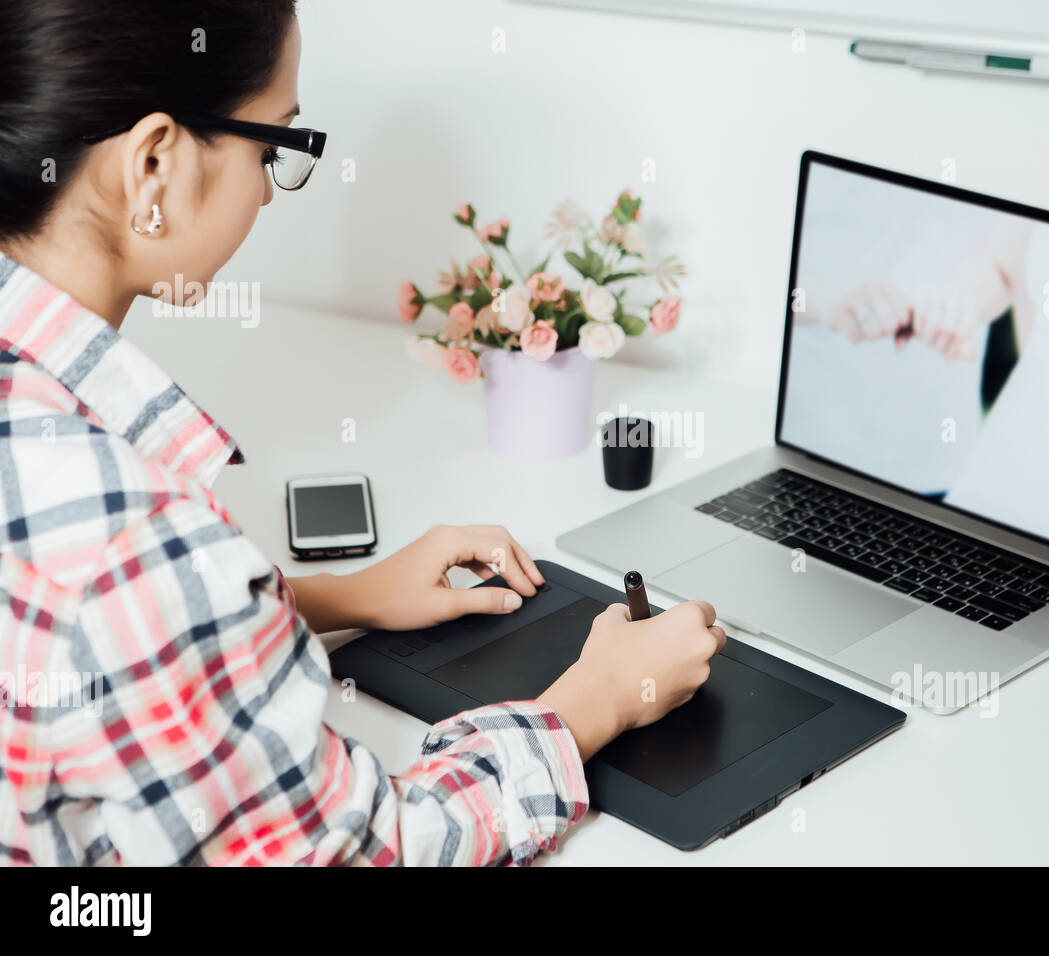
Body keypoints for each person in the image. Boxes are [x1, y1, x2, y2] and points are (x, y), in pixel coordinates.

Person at [0, 0, 724, 866]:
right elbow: (376, 849)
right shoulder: (137, 548)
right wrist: (597, 698)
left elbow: (68, 646)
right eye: (271, 148)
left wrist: (341, 596)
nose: (268, 188)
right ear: (153, 163)